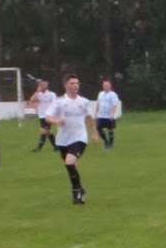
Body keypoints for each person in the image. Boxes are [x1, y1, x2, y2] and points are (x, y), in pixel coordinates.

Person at [46, 75, 95, 205]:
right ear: (66, 85)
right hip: (63, 140)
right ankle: (81, 189)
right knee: (72, 166)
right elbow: (48, 117)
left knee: (69, 162)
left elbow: (89, 117)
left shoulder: (84, 101)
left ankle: (76, 192)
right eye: (72, 83)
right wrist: (57, 120)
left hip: (80, 137)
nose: (75, 86)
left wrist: (94, 133)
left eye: (77, 83)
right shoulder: (59, 101)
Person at [27, 79, 57, 151]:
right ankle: (56, 146)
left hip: (48, 115)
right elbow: (31, 100)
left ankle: (39, 148)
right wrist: (37, 91)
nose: (43, 86)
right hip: (41, 115)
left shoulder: (51, 94)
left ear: (47, 85)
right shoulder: (38, 94)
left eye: (44, 84)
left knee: (44, 130)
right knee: (48, 132)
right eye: (41, 85)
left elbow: (55, 104)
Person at [95, 79, 122, 149]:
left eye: (107, 85)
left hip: (109, 116)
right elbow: (98, 103)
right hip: (101, 115)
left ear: (110, 86)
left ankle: (111, 144)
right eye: (104, 85)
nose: (105, 87)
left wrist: (112, 114)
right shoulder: (100, 93)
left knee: (110, 129)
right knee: (98, 128)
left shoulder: (113, 94)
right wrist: (96, 112)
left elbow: (115, 105)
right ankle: (106, 142)